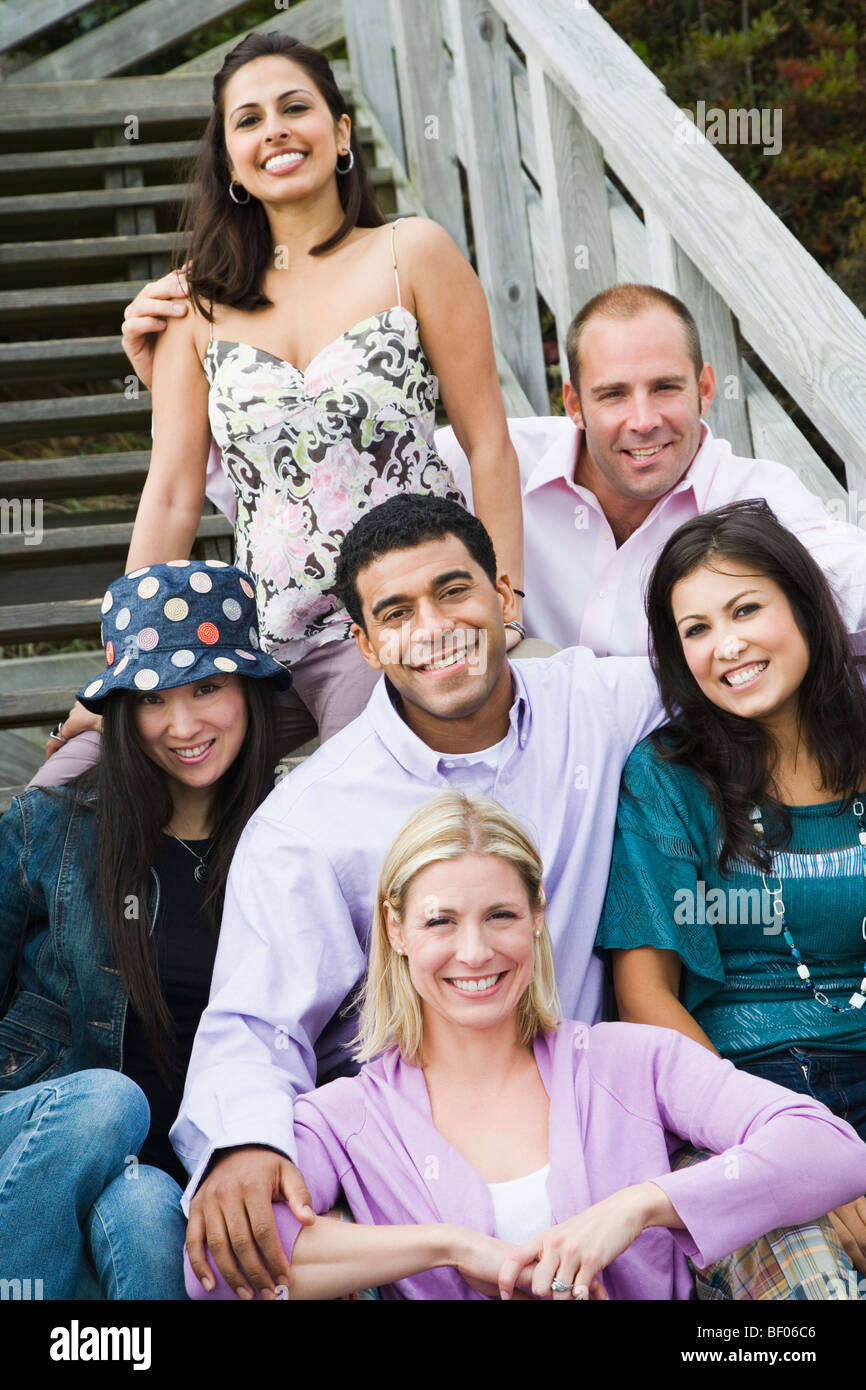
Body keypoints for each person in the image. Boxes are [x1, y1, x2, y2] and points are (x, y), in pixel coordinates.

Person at [172, 491, 663, 1299]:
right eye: (396, 612)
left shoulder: (596, 705)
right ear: (364, 645)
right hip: (405, 1156)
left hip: (589, 1126)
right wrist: (245, 1141)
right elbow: (256, 1023)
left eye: (453, 591)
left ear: (505, 596)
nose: (432, 627)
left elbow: (752, 664)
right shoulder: (309, 822)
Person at [50, 28, 523, 763]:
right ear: (231, 159)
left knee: (363, 787)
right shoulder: (195, 308)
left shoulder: (412, 254)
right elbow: (173, 495)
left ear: (339, 135)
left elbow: (488, 441)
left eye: (294, 107)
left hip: (395, 626)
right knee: (82, 775)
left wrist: (503, 600)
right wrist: (123, 664)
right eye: (248, 118)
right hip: (253, 645)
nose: (274, 128)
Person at [184, 793, 866, 1301]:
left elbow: (829, 1148)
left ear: (538, 917)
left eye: (501, 916)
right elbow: (212, 1273)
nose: (475, 952)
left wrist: (633, 1209)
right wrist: (454, 1249)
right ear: (396, 929)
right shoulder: (343, 1117)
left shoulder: (631, 1060)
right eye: (441, 921)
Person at [117, 276, 866, 659]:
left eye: (666, 388)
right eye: (613, 394)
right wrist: (176, 396)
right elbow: (310, 507)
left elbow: (847, 576)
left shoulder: (753, 499)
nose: (643, 419)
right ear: (572, 401)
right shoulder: (484, 466)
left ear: (705, 388)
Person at [0, 560, 290, 1299]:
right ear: (123, 710)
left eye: (206, 689)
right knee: (107, 1101)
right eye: (154, 698)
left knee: (145, 1208)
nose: (183, 726)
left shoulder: (296, 840)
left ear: (249, 692)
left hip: (174, 1183)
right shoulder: (47, 830)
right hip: (39, 1145)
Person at [596, 499, 866, 1279]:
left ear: (805, 606)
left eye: (747, 608)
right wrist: (793, 1153)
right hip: (741, 1101)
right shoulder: (667, 776)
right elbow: (646, 995)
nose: (729, 645)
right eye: (698, 629)